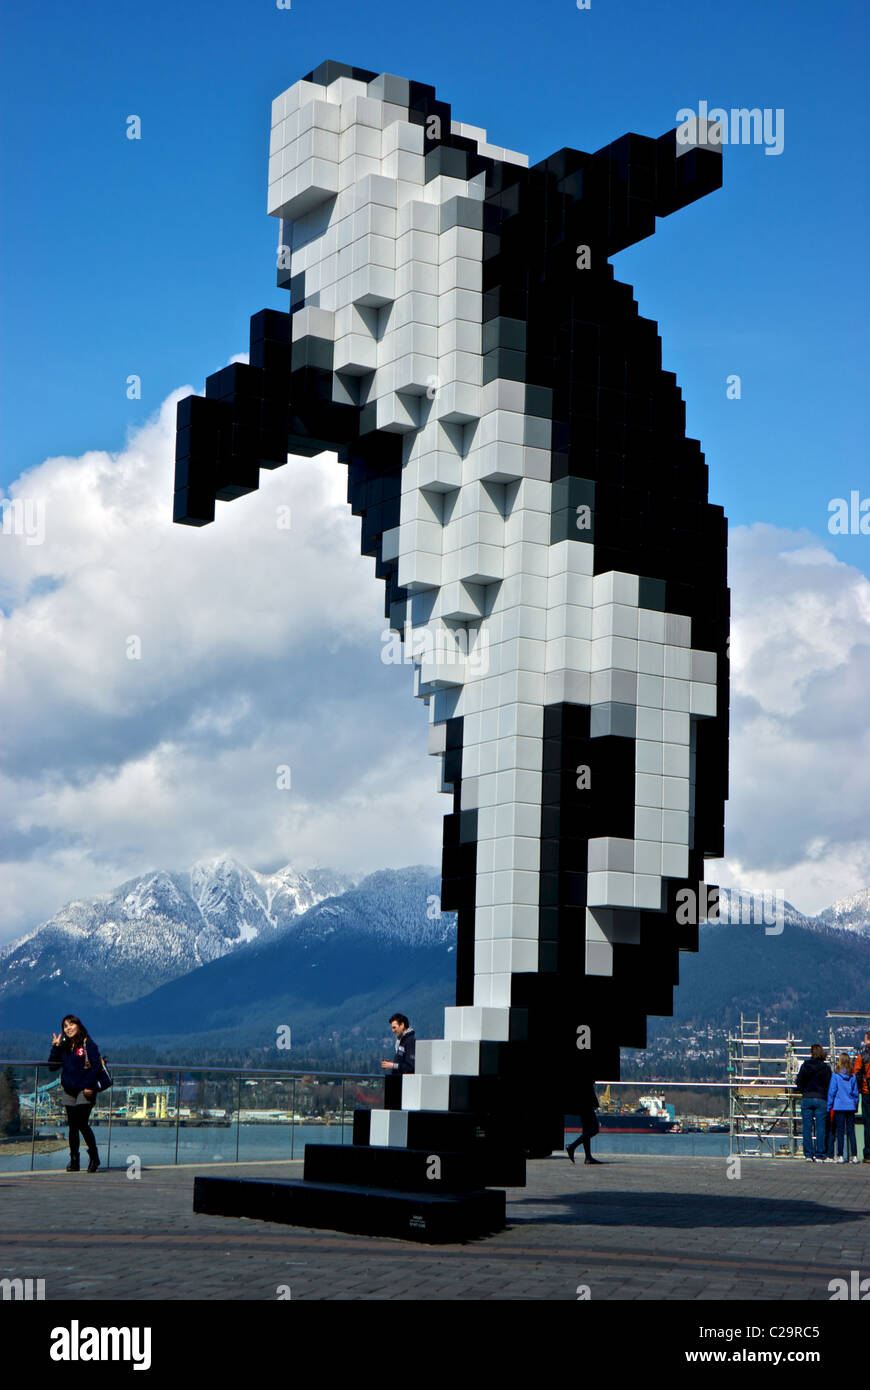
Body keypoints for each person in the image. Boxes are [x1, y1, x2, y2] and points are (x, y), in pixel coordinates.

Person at [47, 1015, 103, 1172]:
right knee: (72, 1127)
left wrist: (90, 1086)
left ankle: (94, 1157)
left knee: (82, 1123)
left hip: (85, 1090)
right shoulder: (64, 1046)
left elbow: (96, 1066)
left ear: (78, 1026)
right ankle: (74, 1160)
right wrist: (56, 1047)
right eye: (65, 1026)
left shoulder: (87, 1044)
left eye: (71, 1024)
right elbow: (52, 1067)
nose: (68, 1028)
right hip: (69, 1090)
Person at [794, 1043, 832, 1161]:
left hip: (807, 1097)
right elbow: (829, 1084)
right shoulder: (826, 1068)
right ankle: (821, 1154)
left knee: (806, 1128)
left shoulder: (805, 1065)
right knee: (821, 1128)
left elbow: (799, 1082)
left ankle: (808, 1154)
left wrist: (803, 1090)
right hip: (821, 1098)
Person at [826, 1052, 860, 1163]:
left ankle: (840, 1155)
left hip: (839, 1105)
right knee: (851, 1131)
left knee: (840, 1131)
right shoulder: (852, 1076)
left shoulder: (835, 1076)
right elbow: (855, 1093)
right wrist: (855, 1105)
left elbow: (832, 1091)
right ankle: (854, 1155)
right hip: (850, 1106)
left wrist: (829, 1106)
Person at [566, 1080, 602, 1166]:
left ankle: (588, 1157)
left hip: (580, 1099)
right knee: (595, 1128)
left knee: (586, 1128)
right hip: (586, 1098)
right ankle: (572, 1146)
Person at [853, 1031, 870, 1163]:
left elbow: (856, 1074)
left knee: (868, 1123)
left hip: (866, 1092)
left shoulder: (862, 1057)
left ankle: (868, 1154)